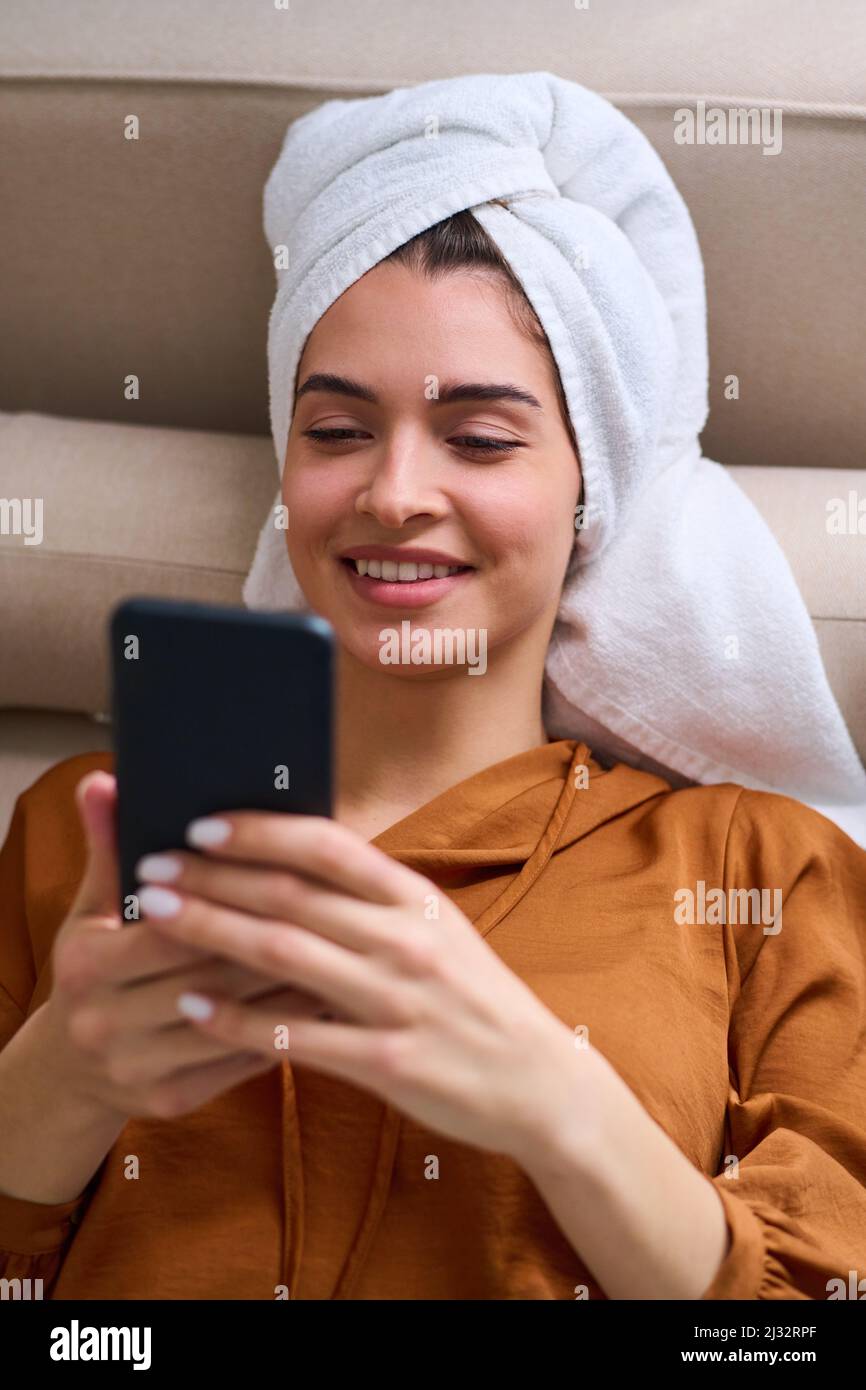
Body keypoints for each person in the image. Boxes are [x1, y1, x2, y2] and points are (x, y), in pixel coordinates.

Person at [1, 205, 865, 1301]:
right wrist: (62, 1077)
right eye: (335, 431)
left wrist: (556, 1098)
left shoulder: (756, 867)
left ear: (585, 491)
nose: (393, 492)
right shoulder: (94, 823)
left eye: (481, 438)